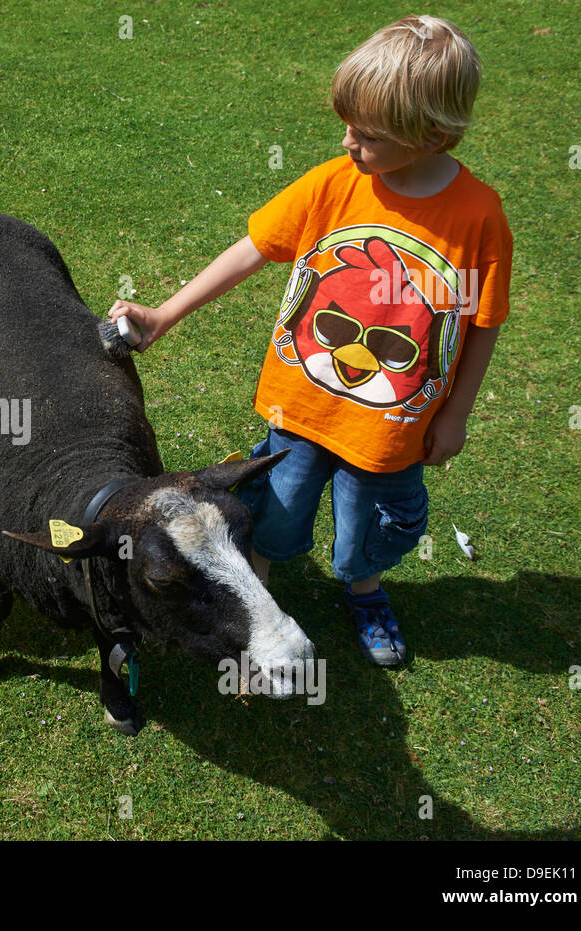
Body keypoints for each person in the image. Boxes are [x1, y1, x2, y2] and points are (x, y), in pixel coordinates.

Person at [109, 15, 512, 667]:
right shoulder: (332, 184)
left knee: (369, 529)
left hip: (391, 431)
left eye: (368, 134)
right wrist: (164, 313)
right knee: (275, 513)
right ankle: (256, 592)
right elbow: (254, 248)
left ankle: (365, 589)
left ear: (432, 134)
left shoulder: (478, 219)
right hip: (302, 411)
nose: (348, 141)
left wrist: (457, 413)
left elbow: (483, 321)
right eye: (347, 124)